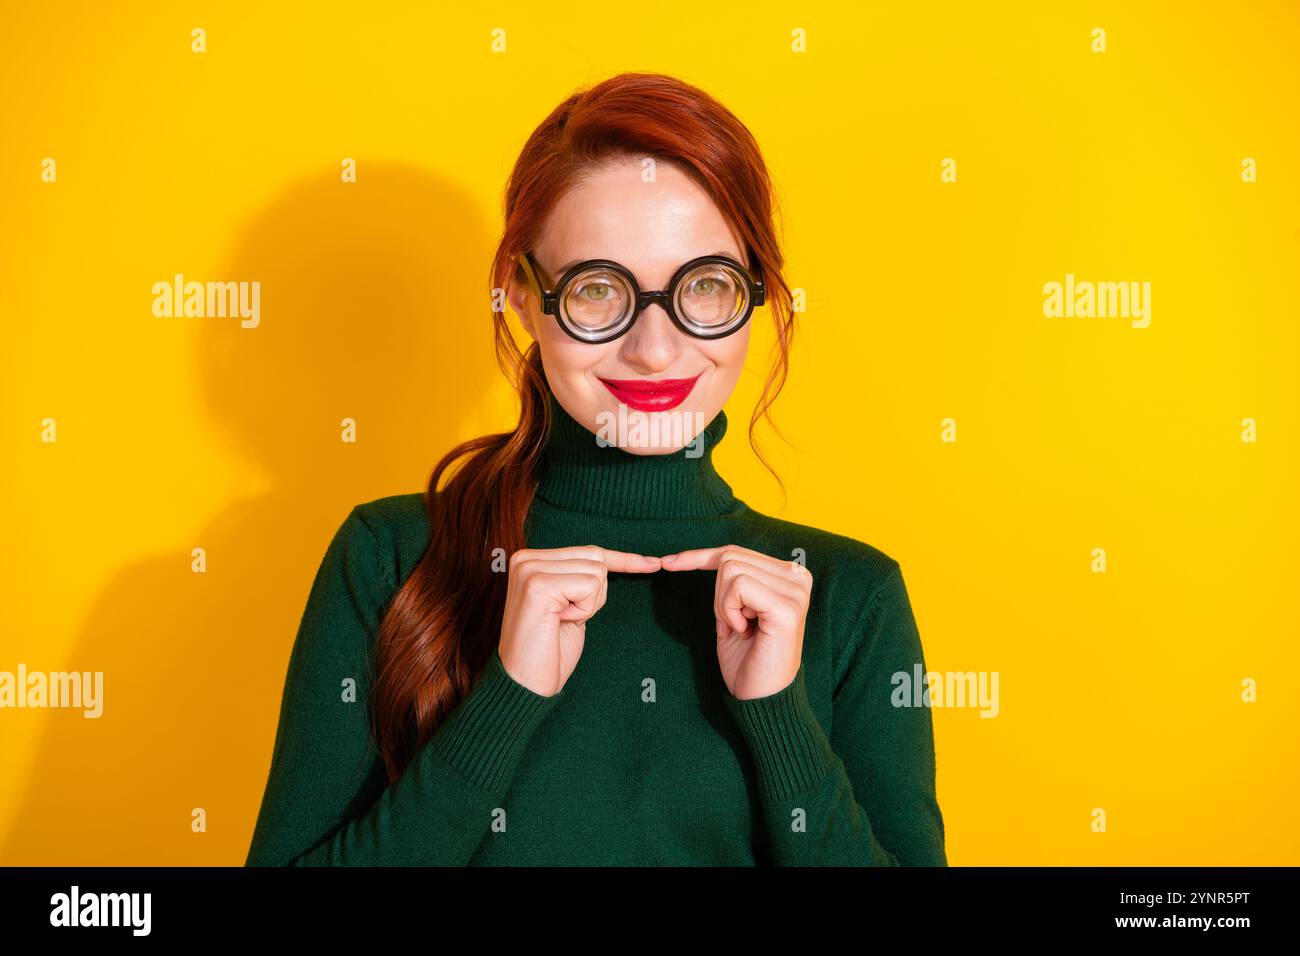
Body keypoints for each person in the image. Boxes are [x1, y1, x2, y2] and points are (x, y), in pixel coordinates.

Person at [245, 71, 947, 866]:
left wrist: (779, 718)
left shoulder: (850, 597)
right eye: (597, 291)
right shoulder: (388, 557)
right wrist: (505, 701)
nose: (654, 349)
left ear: (757, 292)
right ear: (519, 293)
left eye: (706, 286)